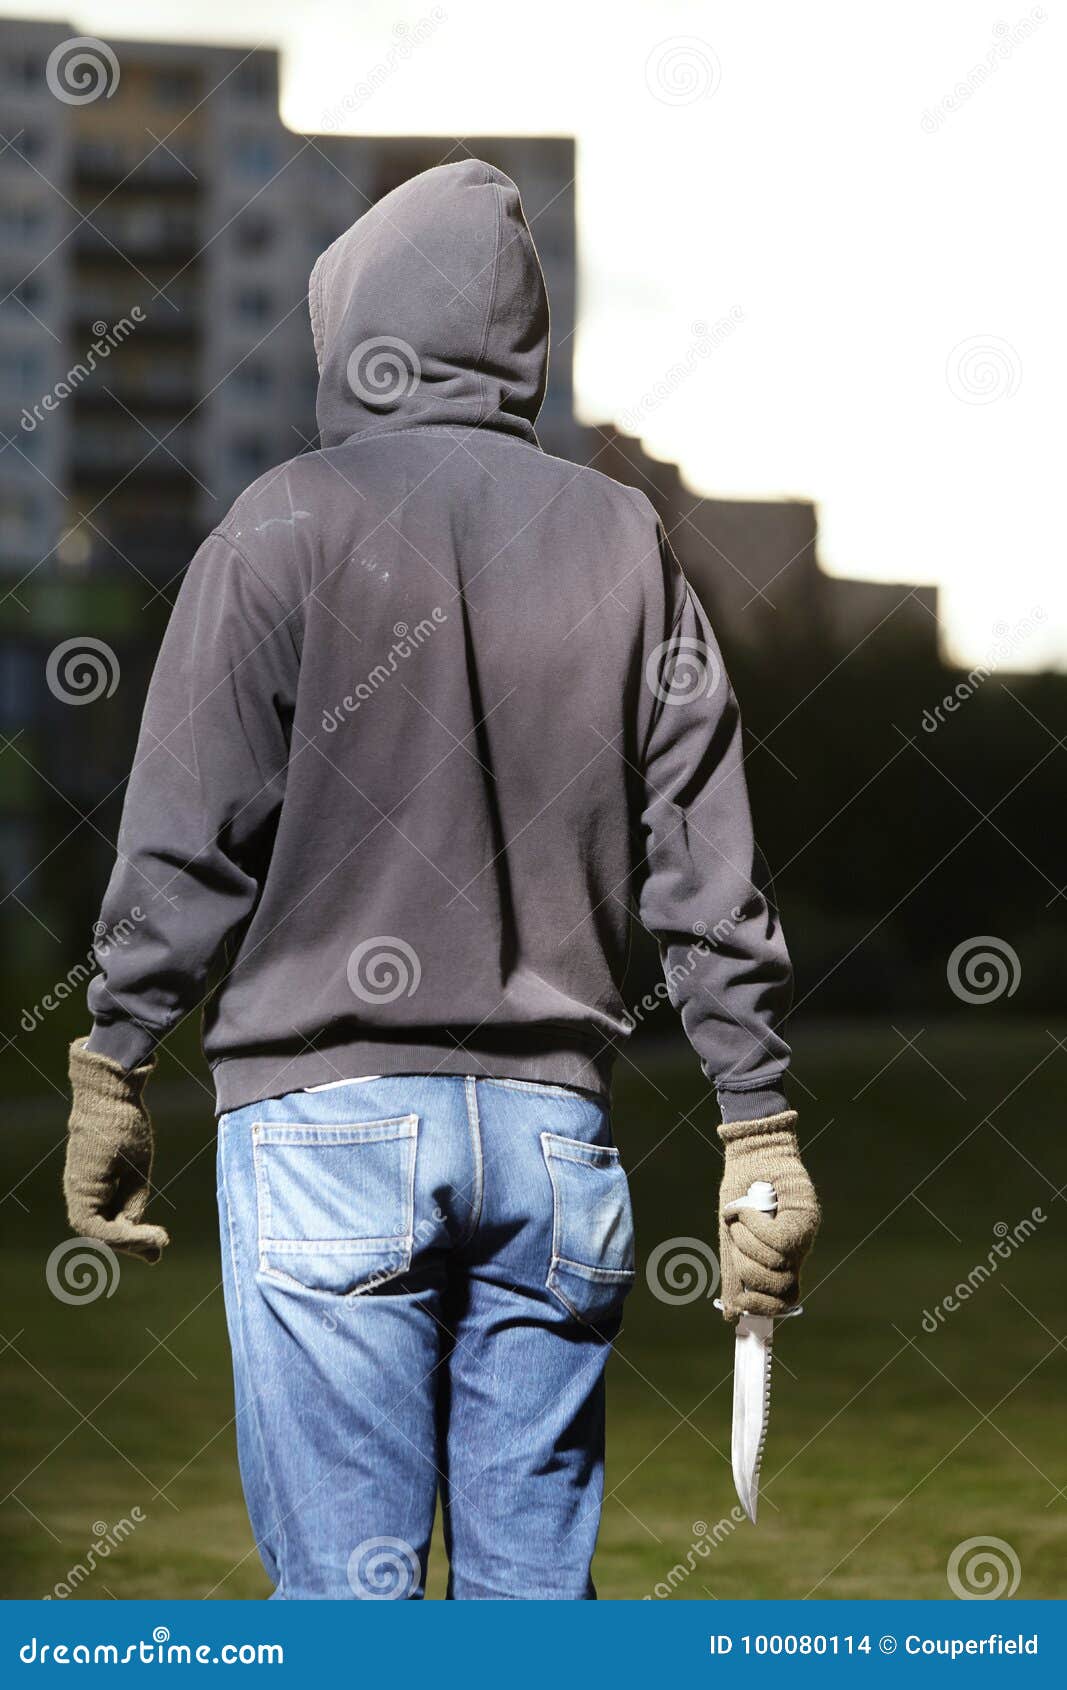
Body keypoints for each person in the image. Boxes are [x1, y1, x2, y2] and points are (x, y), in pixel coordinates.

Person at [64, 159, 819, 1600]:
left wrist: (116, 1056)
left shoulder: (284, 520)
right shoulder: (625, 539)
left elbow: (182, 830)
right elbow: (708, 860)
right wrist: (756, 1120)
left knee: (352, 1613)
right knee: (533, 1611)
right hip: (553, 1142)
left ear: (357, 330)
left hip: (324, 1123)